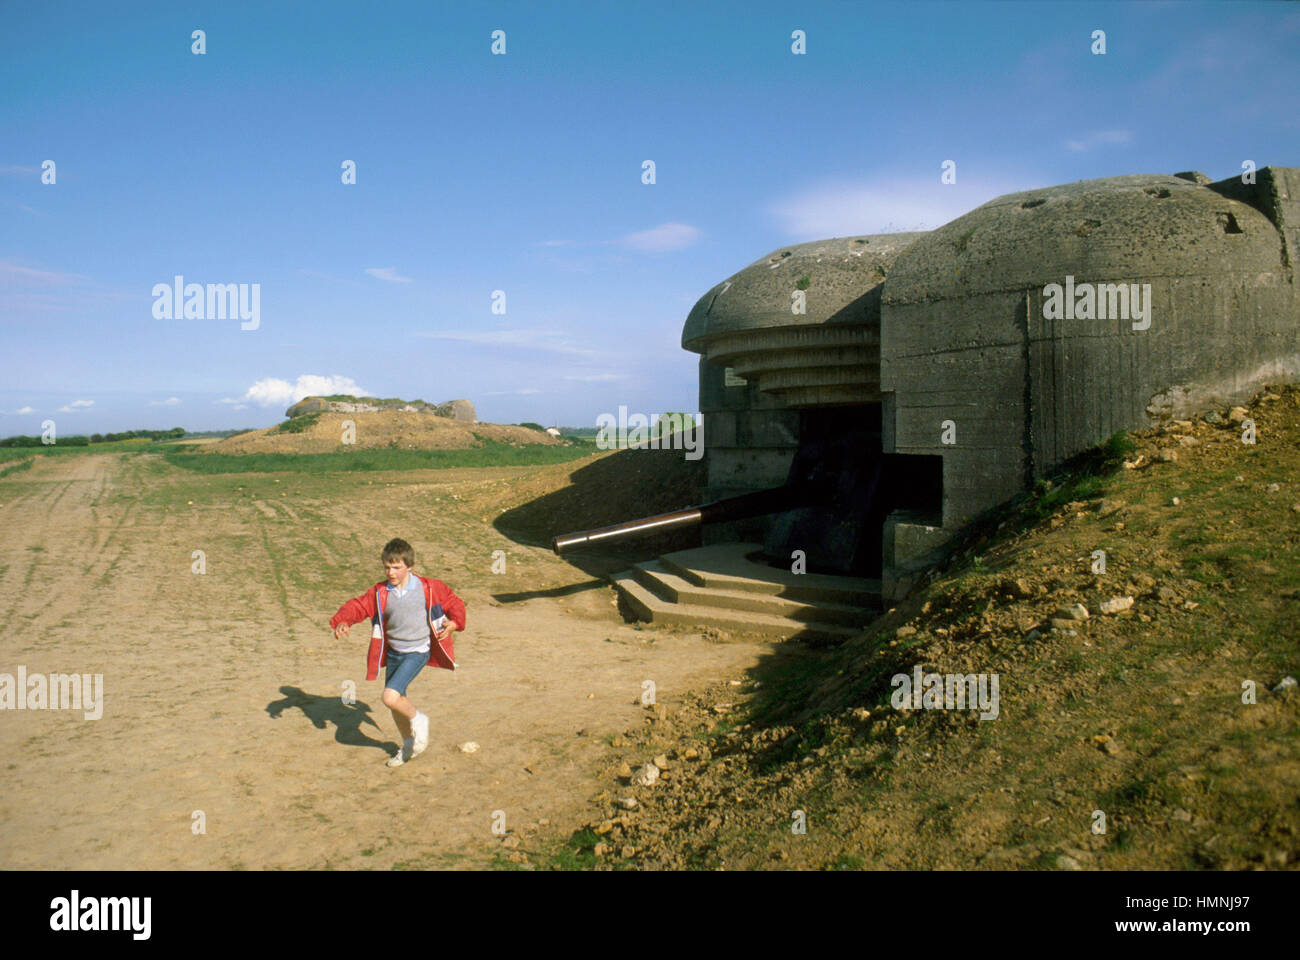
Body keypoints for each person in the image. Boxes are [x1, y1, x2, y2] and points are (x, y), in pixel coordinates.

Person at [329, 538, 466, 767]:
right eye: (387, 567)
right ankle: (408, 745)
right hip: (395, 653)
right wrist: (344, 621)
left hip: (418, 651)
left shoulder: (429, 587)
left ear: (409, 566)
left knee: (389, 697)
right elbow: (358, 606)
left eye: (396, 567)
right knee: (395, 702)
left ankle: (420, 720)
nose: (390, 572)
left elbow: (454, 602)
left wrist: (454, 623)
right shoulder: (381, 592)